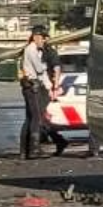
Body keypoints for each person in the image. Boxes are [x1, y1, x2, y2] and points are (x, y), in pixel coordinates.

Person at [18, 25, 52, 160]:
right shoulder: (31, 50)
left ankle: (24, 151)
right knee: (36, 118)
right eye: (43, 38)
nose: (43, 41)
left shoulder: (32, 49)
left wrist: (48, 85)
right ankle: (34, 150)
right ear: (36, 37)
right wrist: (49, 84)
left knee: (30, 118)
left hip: (30, 86)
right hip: (32, 86)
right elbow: (39, 69)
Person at [38, 28, 68, 156]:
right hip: (38, 88)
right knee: (39, 118)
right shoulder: (34, 51)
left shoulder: (50, 52)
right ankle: (52, 139)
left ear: (45, 39)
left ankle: (59, 140)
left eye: (39, 37)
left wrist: (55, 87)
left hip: (47, 89)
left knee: (42, 117)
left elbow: (56, 69)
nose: (37, 40)